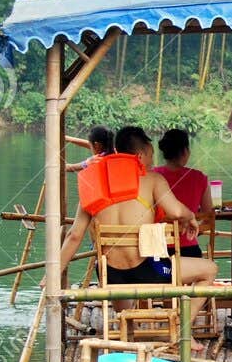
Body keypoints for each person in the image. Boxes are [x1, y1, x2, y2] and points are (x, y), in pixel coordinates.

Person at [59, 125, 218, 343]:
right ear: (140, 155)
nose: (153, 162)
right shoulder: (153, 180)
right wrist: (190, 215)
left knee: (126, 317)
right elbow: (176, 211)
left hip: (110, 274)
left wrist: (52, 274)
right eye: (151, 155)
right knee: (209, 270)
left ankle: (129, 337)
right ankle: (181, 333)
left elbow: (74, 236)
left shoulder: (92, 184)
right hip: (149, 269)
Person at [152, 128, 212, 258]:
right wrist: (193, 228)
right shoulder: (200, 178)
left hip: (157, 250)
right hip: (189, 250)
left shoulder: (152, 176)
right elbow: (208, 218)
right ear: (185, 151)